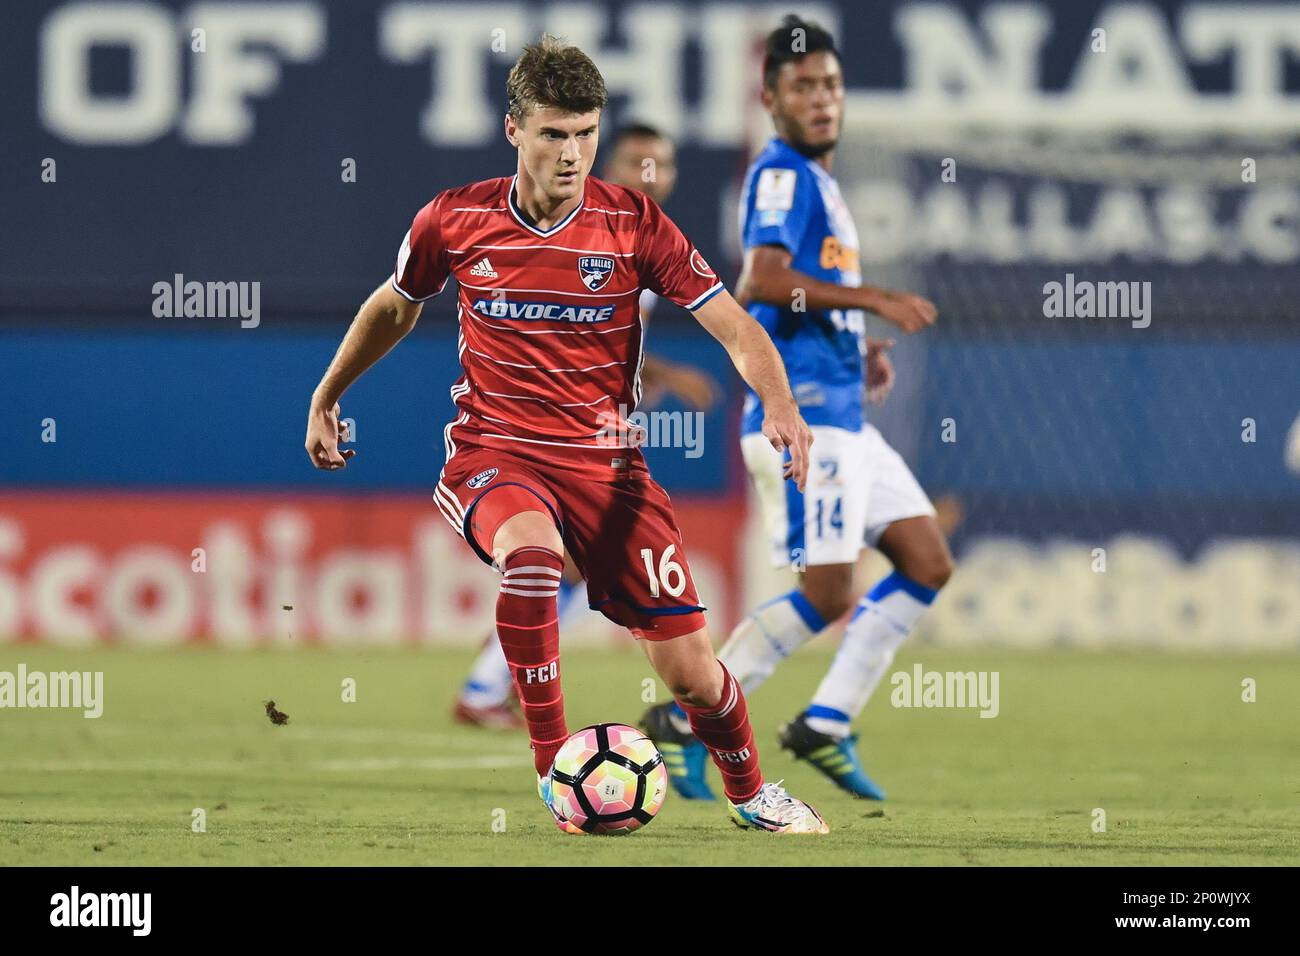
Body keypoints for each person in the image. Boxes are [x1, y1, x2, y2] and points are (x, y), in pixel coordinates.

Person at [305, 36, 826, 834]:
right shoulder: (455, 218)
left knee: (690, 675)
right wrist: (329, 393)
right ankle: (556, 773)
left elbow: (733, 326)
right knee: (535, 558)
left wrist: (782, 404)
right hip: (495, 451)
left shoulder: (636, 225)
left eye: (585, 133)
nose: (574, 153)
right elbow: (394, 306)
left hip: (609, 469)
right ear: (514, 130)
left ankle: (753, 794)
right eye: (554, 134)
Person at [642, 15, 952, 802]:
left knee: (925, 559)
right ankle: (683, 719)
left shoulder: (820, 183)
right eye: (803, 86)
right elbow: (763, 282)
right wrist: (872, 298)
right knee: (829, 592)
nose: (822, 99)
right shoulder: (780, 174)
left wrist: (856, 338)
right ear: (770, 99)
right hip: (805, 422)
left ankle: (825, 723)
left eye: (831, 85)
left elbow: (805, 296)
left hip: (846, 415)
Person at [452, 123, 719, 732]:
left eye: (664, 163)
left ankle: (493, 682)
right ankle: (487, 687)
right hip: (544, 440)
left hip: (603, 437)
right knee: (567, 565)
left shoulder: (642, 235)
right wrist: (672, 376)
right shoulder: (580, 227)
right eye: (637, 161)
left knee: (568, 568)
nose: (651, 174)